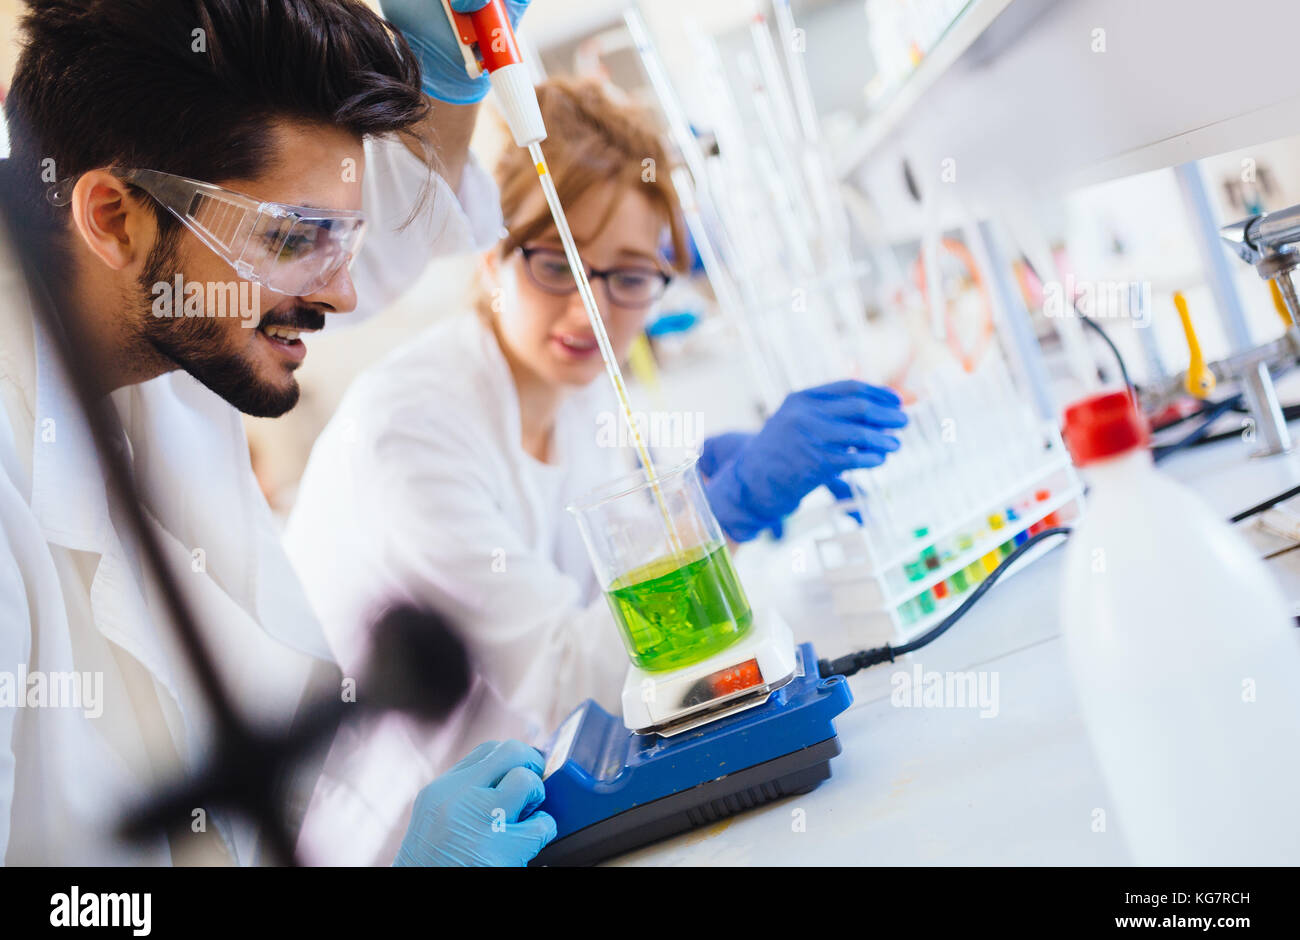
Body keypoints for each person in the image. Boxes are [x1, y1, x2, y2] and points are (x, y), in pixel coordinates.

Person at [285, 77, 910, 864]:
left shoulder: (573, 393)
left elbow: (605, 602)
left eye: (627, 276)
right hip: (418, 844)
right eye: (557, 264)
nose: (590, 311)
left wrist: (691, 505)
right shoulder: (410, 434)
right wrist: (730, 509)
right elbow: (561, 677)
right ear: (490, 254)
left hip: (541, 807)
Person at [0, 0, 552, 866]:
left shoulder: (170, 302)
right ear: (111, 216)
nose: (344, 294)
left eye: (342, 238)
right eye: (297, 237)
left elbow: (399, 195)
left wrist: (450, 64)